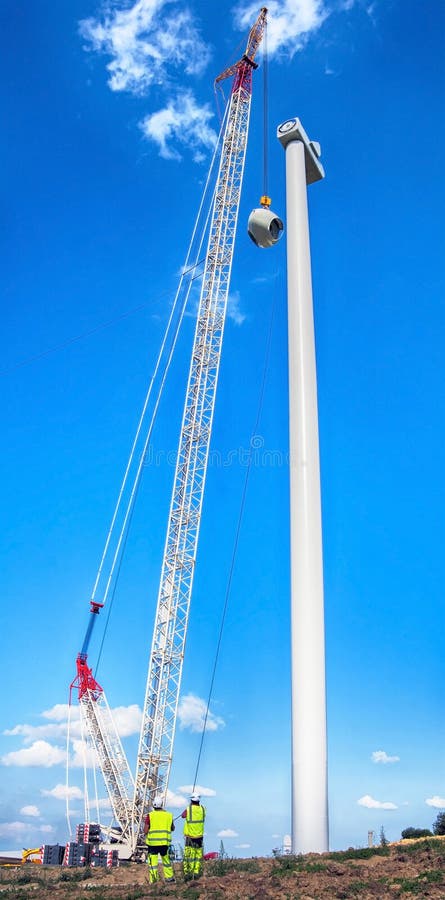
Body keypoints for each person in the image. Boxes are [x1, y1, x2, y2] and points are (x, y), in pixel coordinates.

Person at [144, 796, 175, 884]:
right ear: (162, 805)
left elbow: (145, 831)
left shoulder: (150, 816)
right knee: (166, 861)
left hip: (152, 844)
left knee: (153, 863)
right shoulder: (169, 815)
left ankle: (154, 880)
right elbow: (172, 828)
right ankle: (169, 878)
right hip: (164, 843)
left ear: (153, 805)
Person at [182, 792, 206, 879]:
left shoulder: (188, 809)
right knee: (198, 855)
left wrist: (189, 807)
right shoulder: (203, 809)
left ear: (191, 800)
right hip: (199, 836)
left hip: (190, 836)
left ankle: (187, 872)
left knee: (188, 854)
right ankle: (196, 872)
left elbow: (183, 815)